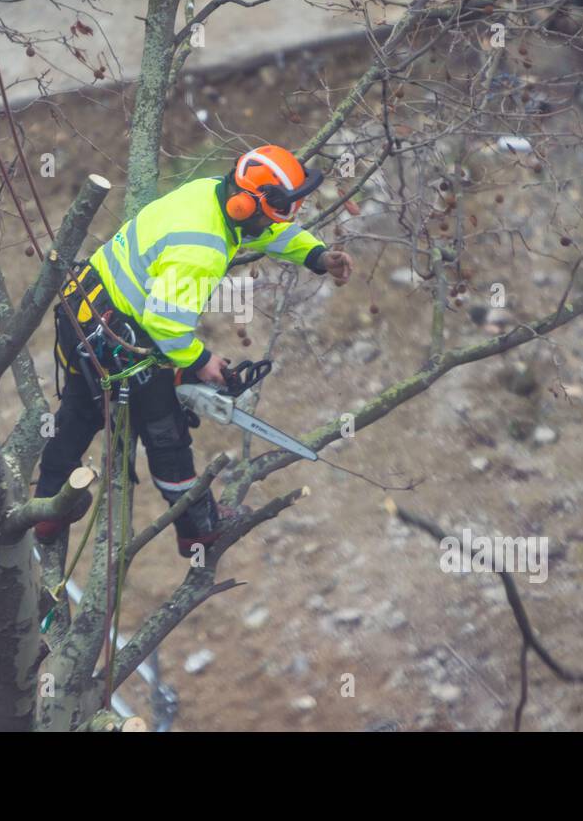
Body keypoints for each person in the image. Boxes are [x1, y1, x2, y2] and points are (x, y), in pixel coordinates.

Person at [34, 145, 354, 555]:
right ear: (244, 205)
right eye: (274, 213)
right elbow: (165, 324)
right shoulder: (201, 247)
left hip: (82, 306)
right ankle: (198, 529)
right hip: (120, 338)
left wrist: (316, 255)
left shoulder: (211, 194)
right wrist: (201, 362)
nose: (278, 224)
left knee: (79, 413)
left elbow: (270, 229)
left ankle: (46, 508)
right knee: (166, 433)